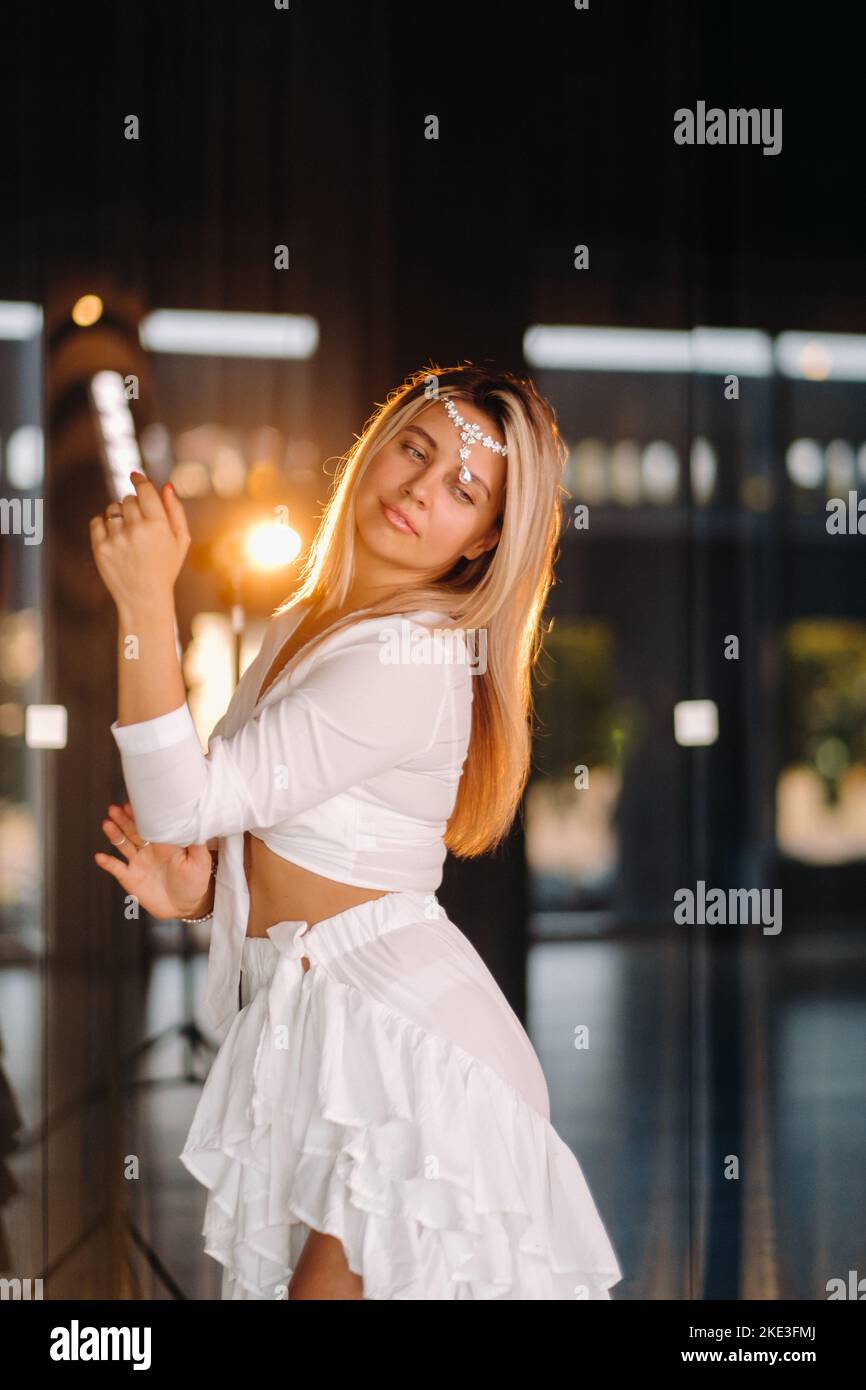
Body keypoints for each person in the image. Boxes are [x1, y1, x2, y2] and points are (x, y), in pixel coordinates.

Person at [90, 363, 624, 1300]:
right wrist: (209, 893)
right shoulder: (314, 621)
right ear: (374, 445)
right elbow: (289, 835)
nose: (421, 489)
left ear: (485, 538)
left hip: (416, 1060)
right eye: (415, 449)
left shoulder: (408, 657)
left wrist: (143, 606)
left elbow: (185, 804)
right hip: (332, 1040)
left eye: (463, 490)